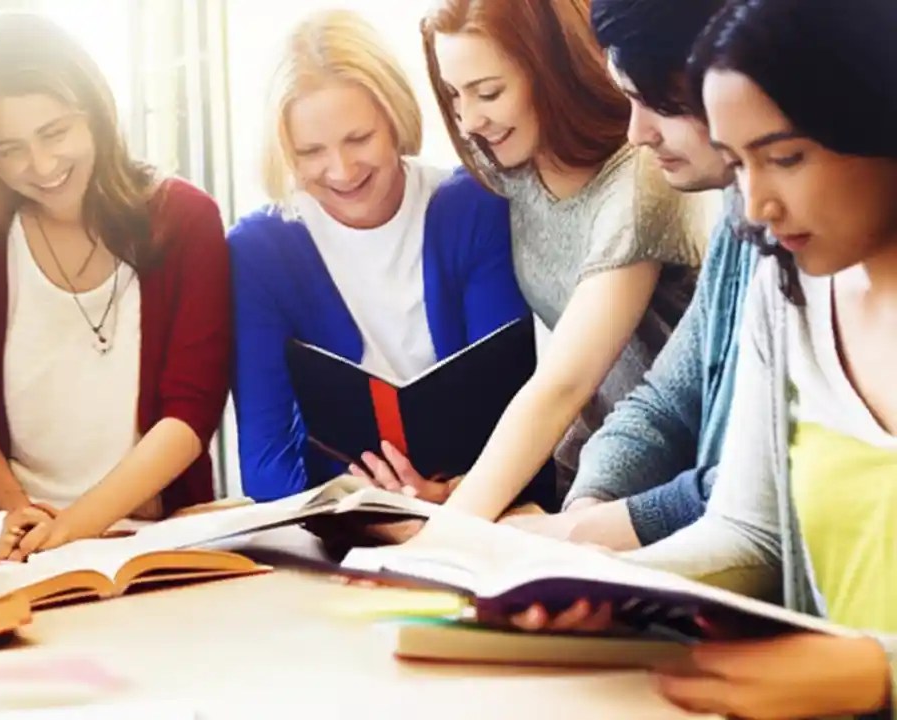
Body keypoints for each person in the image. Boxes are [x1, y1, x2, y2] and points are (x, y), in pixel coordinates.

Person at [511, 1, 897, 717]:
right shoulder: (787, 288)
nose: (756, 206)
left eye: (784, 159)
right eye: (741, 162)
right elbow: (751, 532)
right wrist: (611, 593)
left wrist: (877, 672)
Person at [372, 0, 707, 522]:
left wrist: (457, 526)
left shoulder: (640, 181)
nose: (468, 120)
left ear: (552, 71)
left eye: (488, 92)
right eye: (454, 95)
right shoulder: (507, 167)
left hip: (667, 480)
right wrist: (471, 490)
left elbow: (565, 383)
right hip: (581, 471)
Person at [0, 12, 231, 558]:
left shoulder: (185, 219)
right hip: (17, 539)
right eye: (7, 149)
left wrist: (75, 527)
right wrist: (20, 514)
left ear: (93, 113)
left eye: (54, 132)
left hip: (159, 535)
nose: (41, 166)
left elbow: (190, 412)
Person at [229, 9, 529, 502]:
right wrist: (352, 510)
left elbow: (509, 406)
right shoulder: (260, 251)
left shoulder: (471, 207)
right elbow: (264, 460)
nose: (342, 170)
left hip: (481, 502)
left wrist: (451, 494)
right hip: (335, 521)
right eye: (310, 151)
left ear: (393, 119)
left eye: (359, 139)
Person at [499, 0, 761, 550]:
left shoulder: (786, 224)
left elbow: (766, 489)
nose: (637, 132)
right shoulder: (741, 210)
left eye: (660, 104)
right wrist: (590, 507)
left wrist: (579, 533)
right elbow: (665, 402)